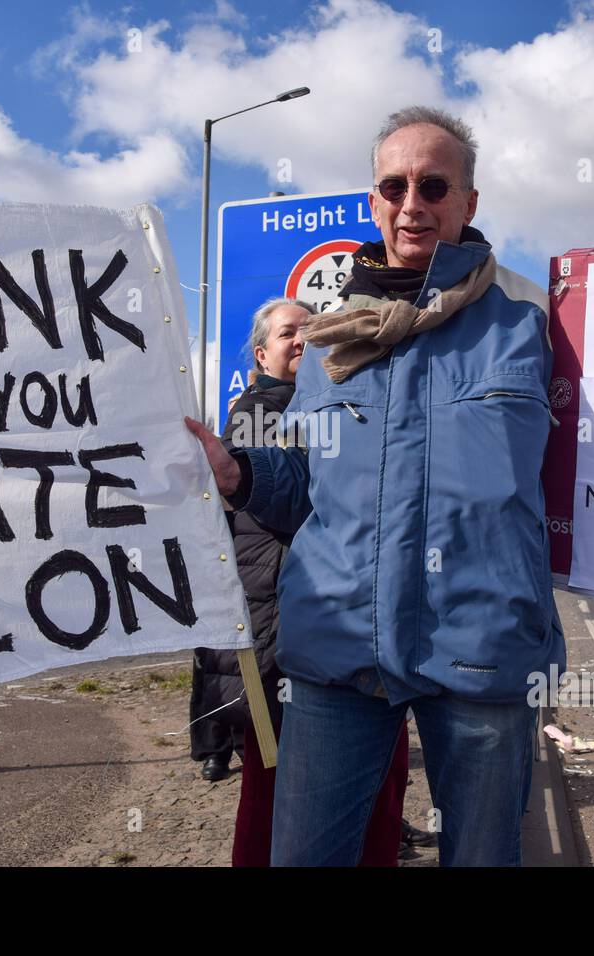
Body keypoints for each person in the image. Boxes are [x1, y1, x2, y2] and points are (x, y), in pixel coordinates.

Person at [186, 105, 594, 866]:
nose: (413, 203)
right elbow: (304, 481)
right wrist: (236, 470)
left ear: (468, 202)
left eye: (434, 185)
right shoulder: (332, 339)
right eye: (394, 185)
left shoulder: (535, 321)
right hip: (336, 650)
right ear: (373, 201)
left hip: (482, 652)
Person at [195, 297, 410, 866]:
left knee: (364, 781)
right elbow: (301, 503)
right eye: (290, 333)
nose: (303, 341)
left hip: (325, 620)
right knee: (274, 789)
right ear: (261, 354)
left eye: (312, 331)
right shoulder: (263, 413)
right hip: (283, 627)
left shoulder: (323, 404)